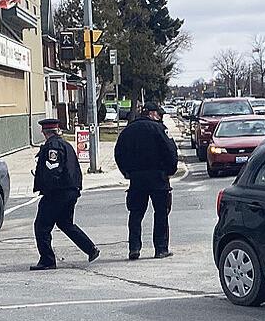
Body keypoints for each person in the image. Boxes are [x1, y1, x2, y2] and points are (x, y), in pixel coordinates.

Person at [31, 119, 99, 270]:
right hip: (71, 191)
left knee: (41, 226)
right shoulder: (66, 145)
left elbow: (53, 170)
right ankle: (90, 249)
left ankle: (47, 260)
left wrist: (48, 190)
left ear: (44, 132)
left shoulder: (52, 146)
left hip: (57, 193)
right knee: (65, 223)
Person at [114, 102, 179, 260]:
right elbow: (171, 151)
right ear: (151, 113)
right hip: (158, 177)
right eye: (159, 114)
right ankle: (160, 248)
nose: (160, 117)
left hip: (137, 179)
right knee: (161, 213)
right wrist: (170, 171)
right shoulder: (159, 129)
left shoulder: (128, 131)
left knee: (136, 214)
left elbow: (118, 153)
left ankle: (134, 248)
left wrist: (127, 173)